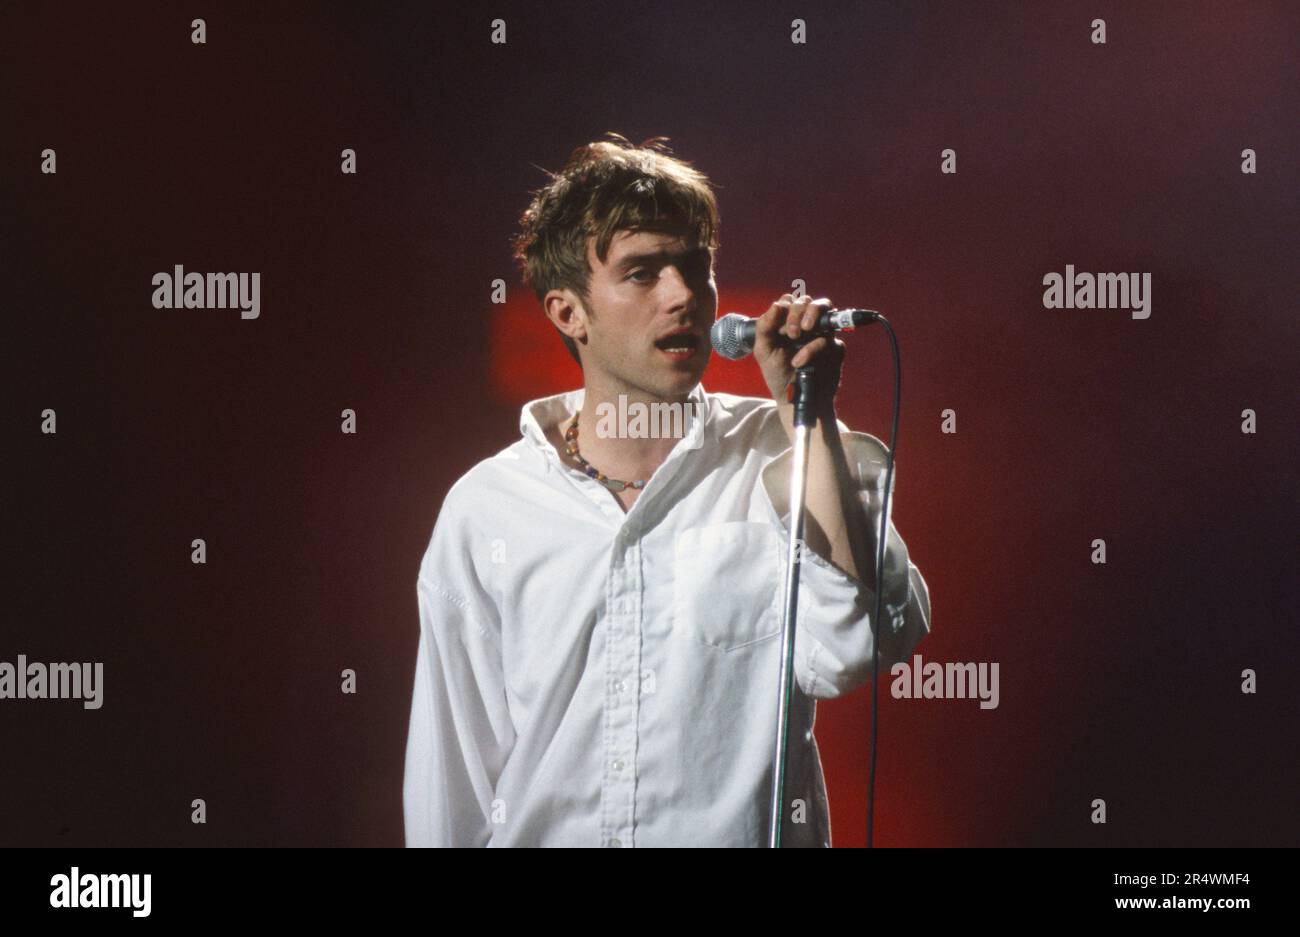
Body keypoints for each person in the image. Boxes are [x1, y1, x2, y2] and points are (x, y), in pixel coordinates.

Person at [403, 133, 931, 847]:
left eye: (694, 266)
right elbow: (452, 783)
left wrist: (810, 414)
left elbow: (853, 646)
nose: (684, 296)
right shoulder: (488, 509)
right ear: (568, 313)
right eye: (643, 272)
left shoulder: (782, 454)